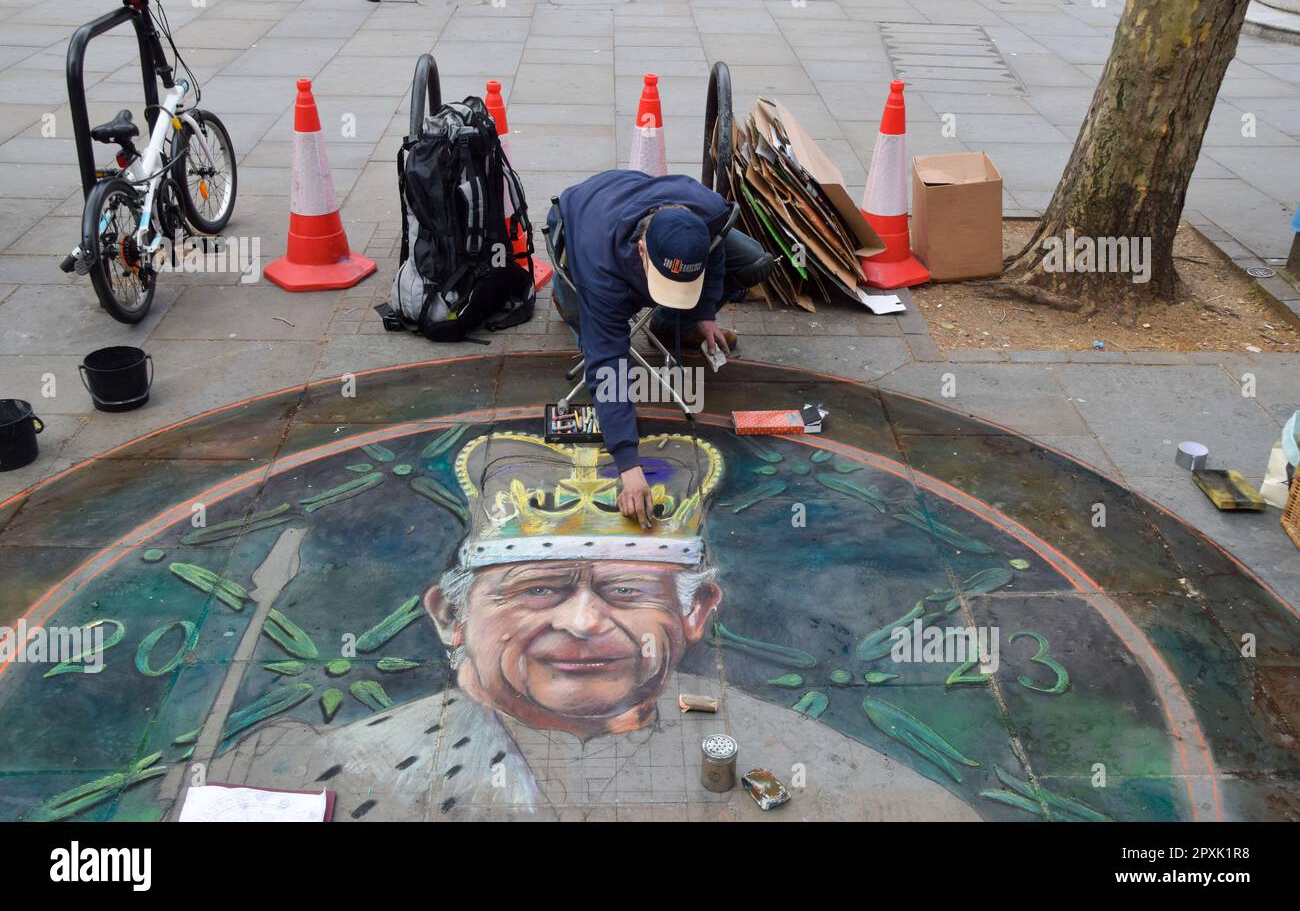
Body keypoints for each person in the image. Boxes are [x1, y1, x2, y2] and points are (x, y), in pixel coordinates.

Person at [200, 432, 979, 821]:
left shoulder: (847, 782)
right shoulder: (305, 771)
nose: (581, 622)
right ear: (449, 613)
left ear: (696, 612)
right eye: (536, 588)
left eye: (629, 590)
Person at [551, 170, 772, 531]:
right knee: (596, 330)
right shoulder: (601, 262)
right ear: (642, 250)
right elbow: (609, 365)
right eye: (665, 282)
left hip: (646, 211)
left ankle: (671, 323)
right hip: (583, 217)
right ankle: (569, 298)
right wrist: (628, 464)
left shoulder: (710, 211)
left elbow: (715, 254)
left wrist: (705, 312)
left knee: (754, 259)